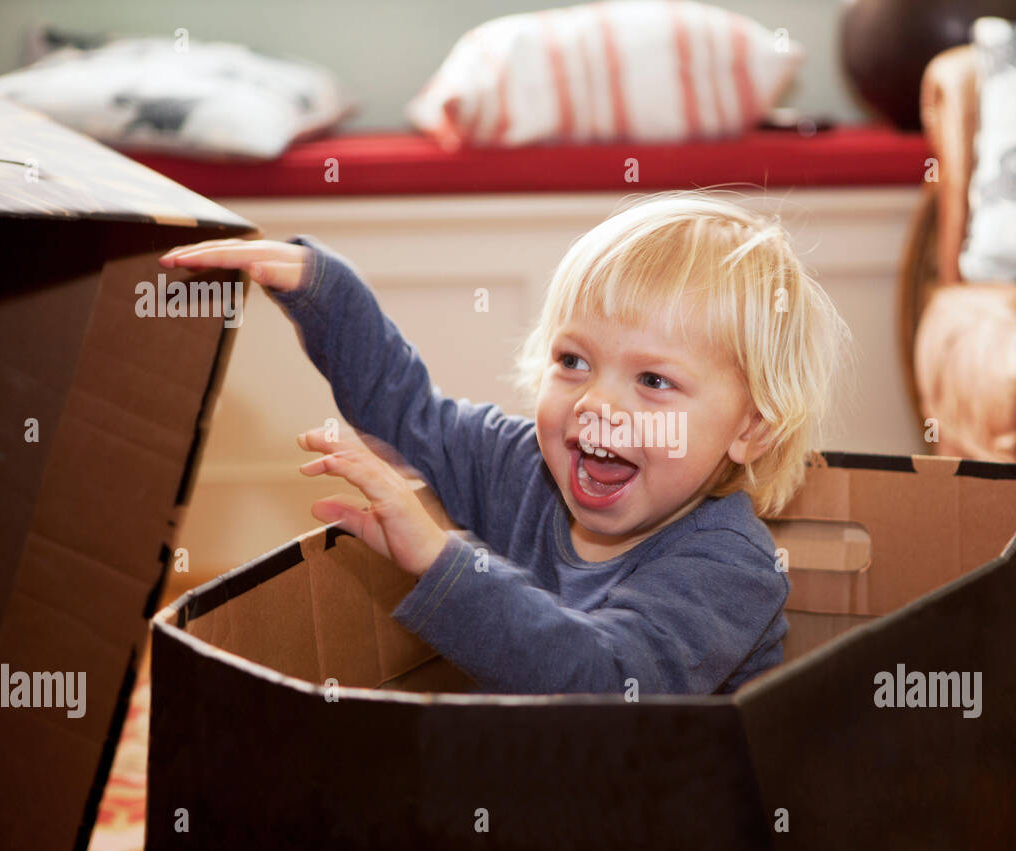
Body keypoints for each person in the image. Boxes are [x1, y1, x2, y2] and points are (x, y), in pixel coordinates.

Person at [158, 190, 853, 694]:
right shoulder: (522, 467)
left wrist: (442, 560)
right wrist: (322, 290)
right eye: (574, 361)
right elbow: (407, 415)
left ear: (750, 428)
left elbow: (605, 684)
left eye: (653, 380)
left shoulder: (730, 564)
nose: (596, 404)